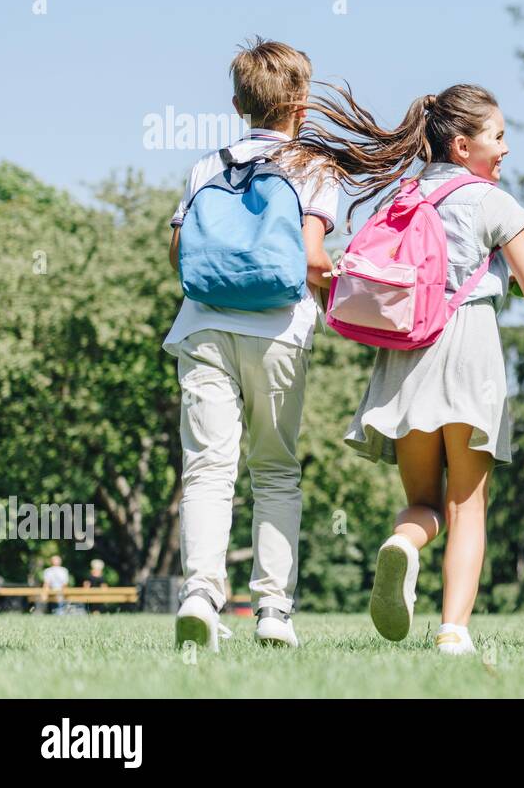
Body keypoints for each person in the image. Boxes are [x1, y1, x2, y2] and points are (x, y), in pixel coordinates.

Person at [289, 83, 524, 655]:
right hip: (470, 354)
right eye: (498, 137)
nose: (506, 149)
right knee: (467, 505)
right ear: (462, 146)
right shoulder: (492, 202)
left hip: (406, 355)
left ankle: (405, 545)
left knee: (425, 504)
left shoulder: (402, 200)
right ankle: (453, 630)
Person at [166, 38, 338, 651]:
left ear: (238, 102)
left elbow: (178, 255)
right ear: (302, 102)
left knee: (209, 469)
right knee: (275, 469)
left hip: (203, 325)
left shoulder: (204, 167)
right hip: (279, 330)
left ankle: (200, 595)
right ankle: (272, 609)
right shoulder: (314, 167)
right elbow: (314, 259)